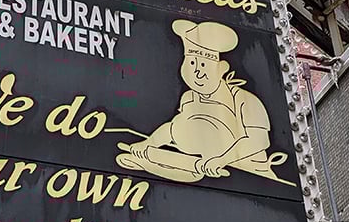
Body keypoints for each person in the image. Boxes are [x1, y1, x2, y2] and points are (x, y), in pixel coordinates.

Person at [116, 19, 287, 184]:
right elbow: (172, 129)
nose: (197, 72)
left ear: (221, 69)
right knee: (190, 175)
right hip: (200, 169)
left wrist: (221, 160)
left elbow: (258, 140)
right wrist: (148, 144)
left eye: (204, 65)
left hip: (249, 178)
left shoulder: (245, 101)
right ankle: (146, 163)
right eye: (191, 63)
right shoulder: (189, 98)